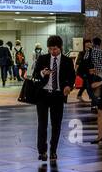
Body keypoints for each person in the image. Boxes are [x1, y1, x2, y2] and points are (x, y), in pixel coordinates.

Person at [31, 35, 76, 163]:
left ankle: (53, 151)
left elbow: (71, 77)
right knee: (42, 124)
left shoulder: (67, 61)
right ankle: (42, 151)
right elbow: (34, 74)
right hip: (43, 95)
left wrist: (68, 87)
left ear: (60, 47)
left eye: (55, 49)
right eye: (50, 49)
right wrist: (41, 73)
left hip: (58, 96)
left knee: (56, 125)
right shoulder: (43, 58)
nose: (53, 52)